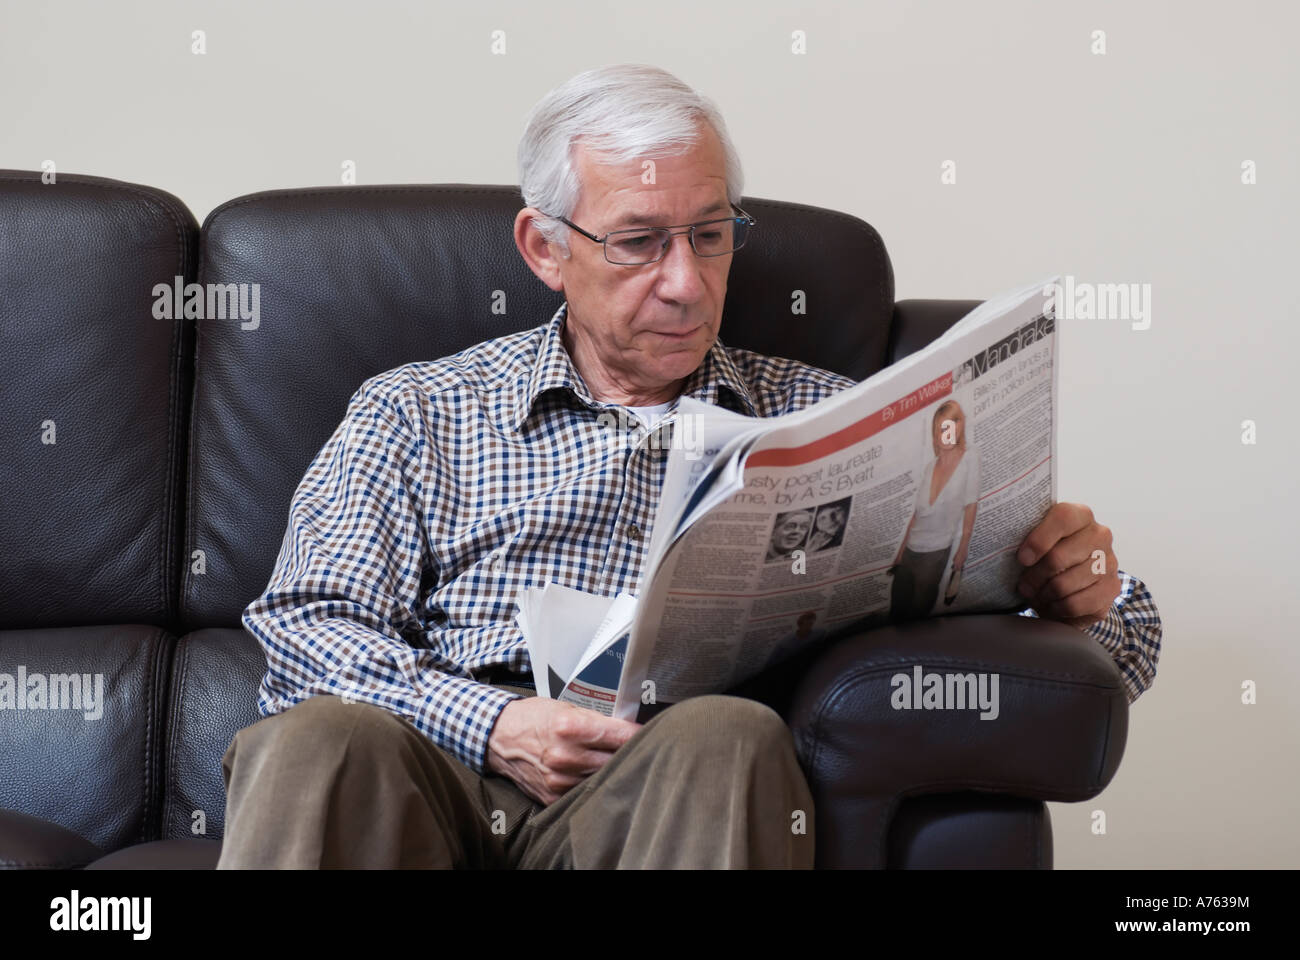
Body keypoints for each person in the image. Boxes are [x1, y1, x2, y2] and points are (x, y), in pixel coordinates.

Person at [217, 64, 1163, 870]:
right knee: (317, 740)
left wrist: (1090, 590)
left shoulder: (827, 415)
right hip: (433, 776)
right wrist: (493, 725)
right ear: (545, 248)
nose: (684, 281)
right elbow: (303, 633)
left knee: (728, 733)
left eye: (710, 236)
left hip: (667, 790)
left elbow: (1108, 664)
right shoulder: (417, 411)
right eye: (639, 242)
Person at [889, 401, 979, 621]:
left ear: (960, 426)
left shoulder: (970, 458)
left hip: (936, 552)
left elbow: (971, 505)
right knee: (897, 608)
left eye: (951, 424)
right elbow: (916, 516)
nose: (946, 433)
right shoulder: (930, 467)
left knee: (919, 612)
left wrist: (963, 548)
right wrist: (900, 553)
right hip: (910, 550)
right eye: (941, 428)